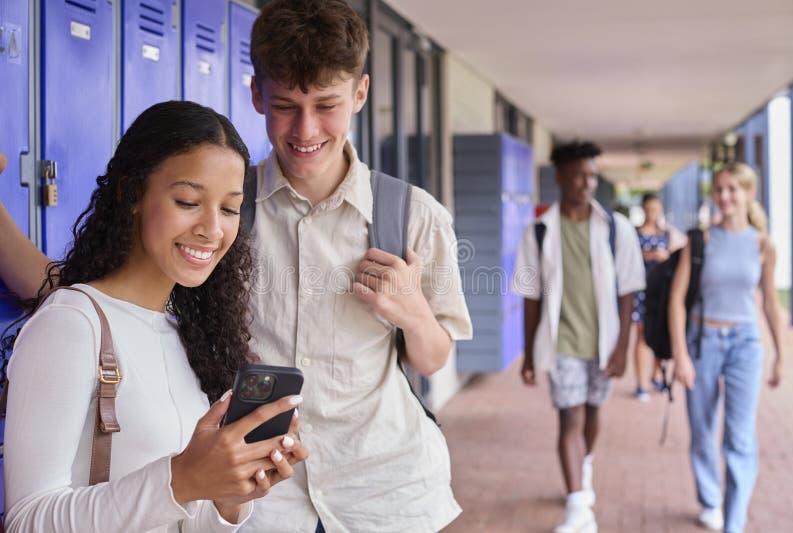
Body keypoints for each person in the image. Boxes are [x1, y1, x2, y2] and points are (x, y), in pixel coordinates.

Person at [0, 1, 472, 531]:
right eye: (287, 105)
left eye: (327, 104)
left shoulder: (413, 215)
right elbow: (108, 299)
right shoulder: (224, 206)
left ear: (360, 94)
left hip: (384, 488)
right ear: (257, 95)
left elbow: (433, 358)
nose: (306, 128)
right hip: (259, 500)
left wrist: (414, 314)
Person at [0, 101, 309, 533]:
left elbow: (179, 516)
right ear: (131, 195)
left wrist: (227, 498)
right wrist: (180, 480)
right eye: (188, 200)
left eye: (229, 208)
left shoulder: (182, 334)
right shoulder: (72, 324)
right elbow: (26, 521)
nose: (212, 229)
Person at [512, 140, 645, 533]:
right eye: (579, 176)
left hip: (603, 343)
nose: (587, 183)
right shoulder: (538, 231)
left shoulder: (615, 229)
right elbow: (530, 297)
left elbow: (629, 292)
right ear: (560, 178)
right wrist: (529, 354)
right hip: (561, 341)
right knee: (569, 418)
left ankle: (582, 470)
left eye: (591, 175)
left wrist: (622, 349)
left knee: (591, 414)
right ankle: (578, 509)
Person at [669, 162, 782, 533]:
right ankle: (710, 499)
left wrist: (780, 355)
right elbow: (676, 300)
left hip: (745, 345)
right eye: (719, 189)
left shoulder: (763, 245)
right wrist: (681, 356)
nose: (725, 196)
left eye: (733, 189)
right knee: (702, 431)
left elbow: (769, 303)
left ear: (749, 193)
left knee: (740, 437)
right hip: (702, 343)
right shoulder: (700, 241)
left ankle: (734, 521)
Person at [630, 192, 685, 401]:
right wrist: (645, 255)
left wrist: (666, 256)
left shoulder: (668, 234)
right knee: (642, 335)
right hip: (640, 289)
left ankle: (656, 375)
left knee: (658, 332)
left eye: (656, 209)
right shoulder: (634, 233)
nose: (652, 213)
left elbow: (678, 257)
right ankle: (641, 383)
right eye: (649, 209)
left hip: (660, 291)